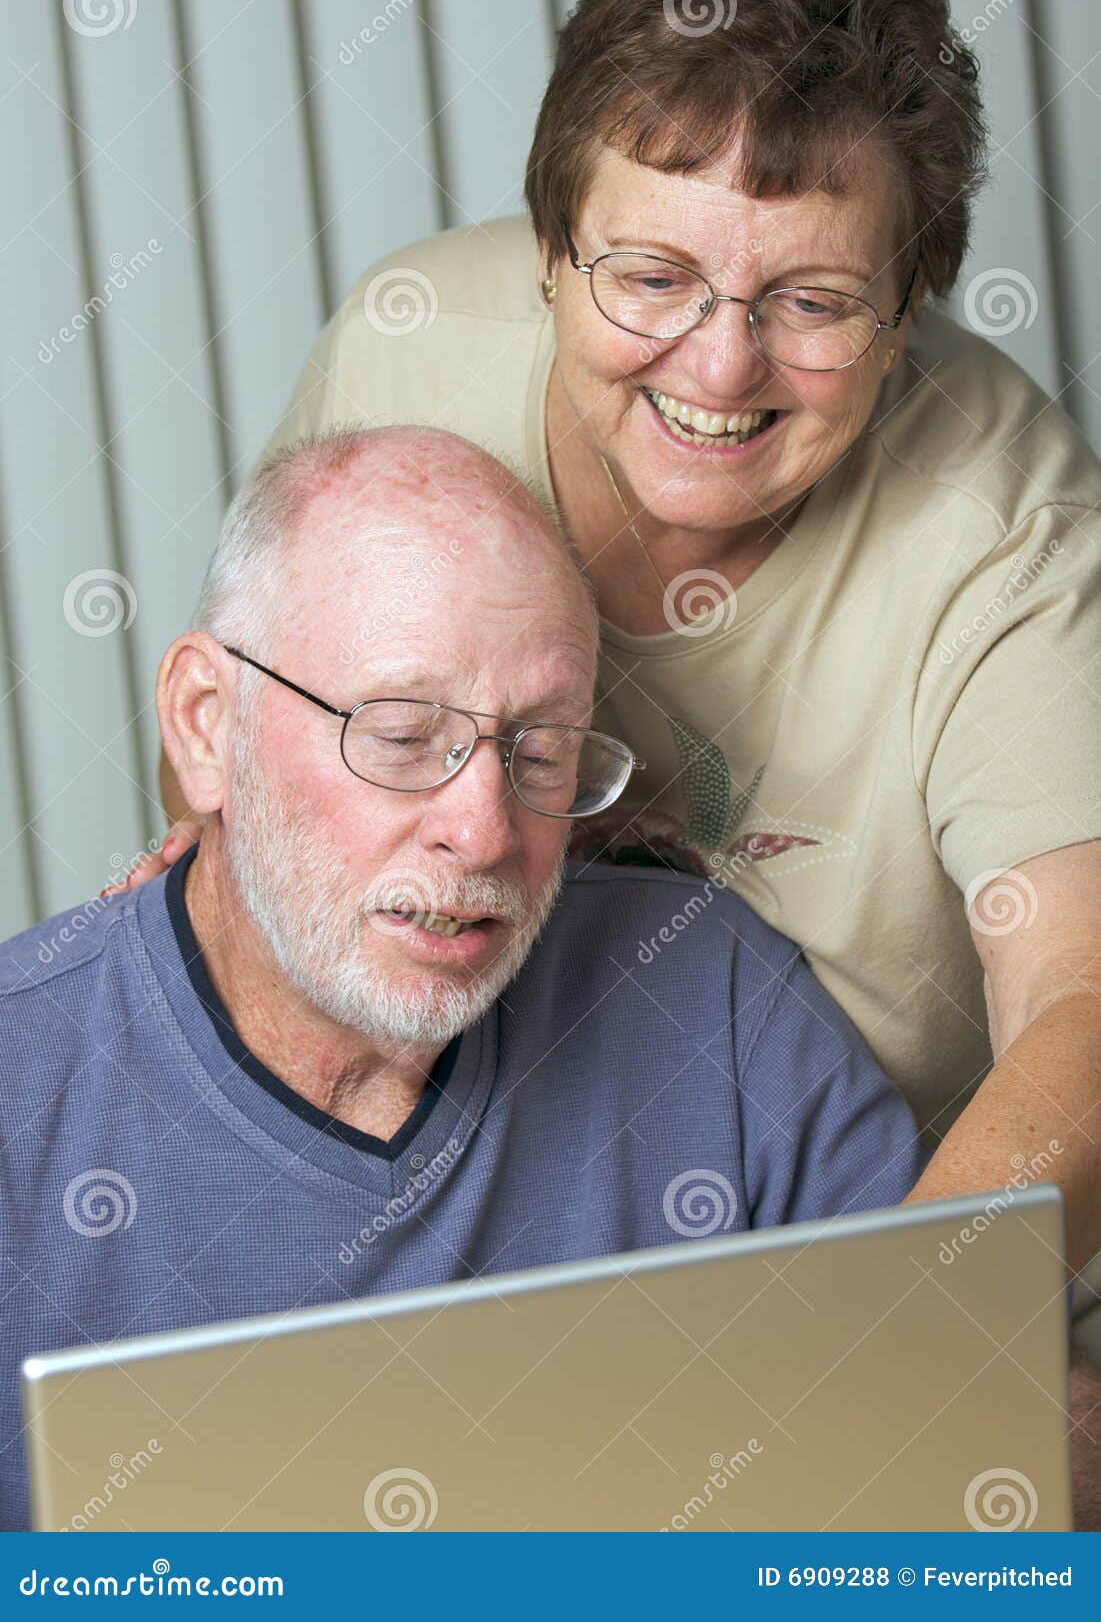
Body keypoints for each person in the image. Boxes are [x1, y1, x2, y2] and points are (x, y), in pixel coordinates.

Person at [133, 0, 1101, 1289]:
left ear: (907, 314)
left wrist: (900, 1344)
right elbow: (240, 748)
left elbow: (1081, 1004)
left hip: (910, 1246)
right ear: (550, 249)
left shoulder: (1007, 526)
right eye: (651, 277)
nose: (721, 362)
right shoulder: (408, 352)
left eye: (813, 301)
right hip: (495, 1222)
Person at [0, 426, 929, 1533]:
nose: (486, 832)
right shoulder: (24, 1090)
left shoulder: (707, 990)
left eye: (541, 752)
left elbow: (988, 1424)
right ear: (209, 728)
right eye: (401, 737)